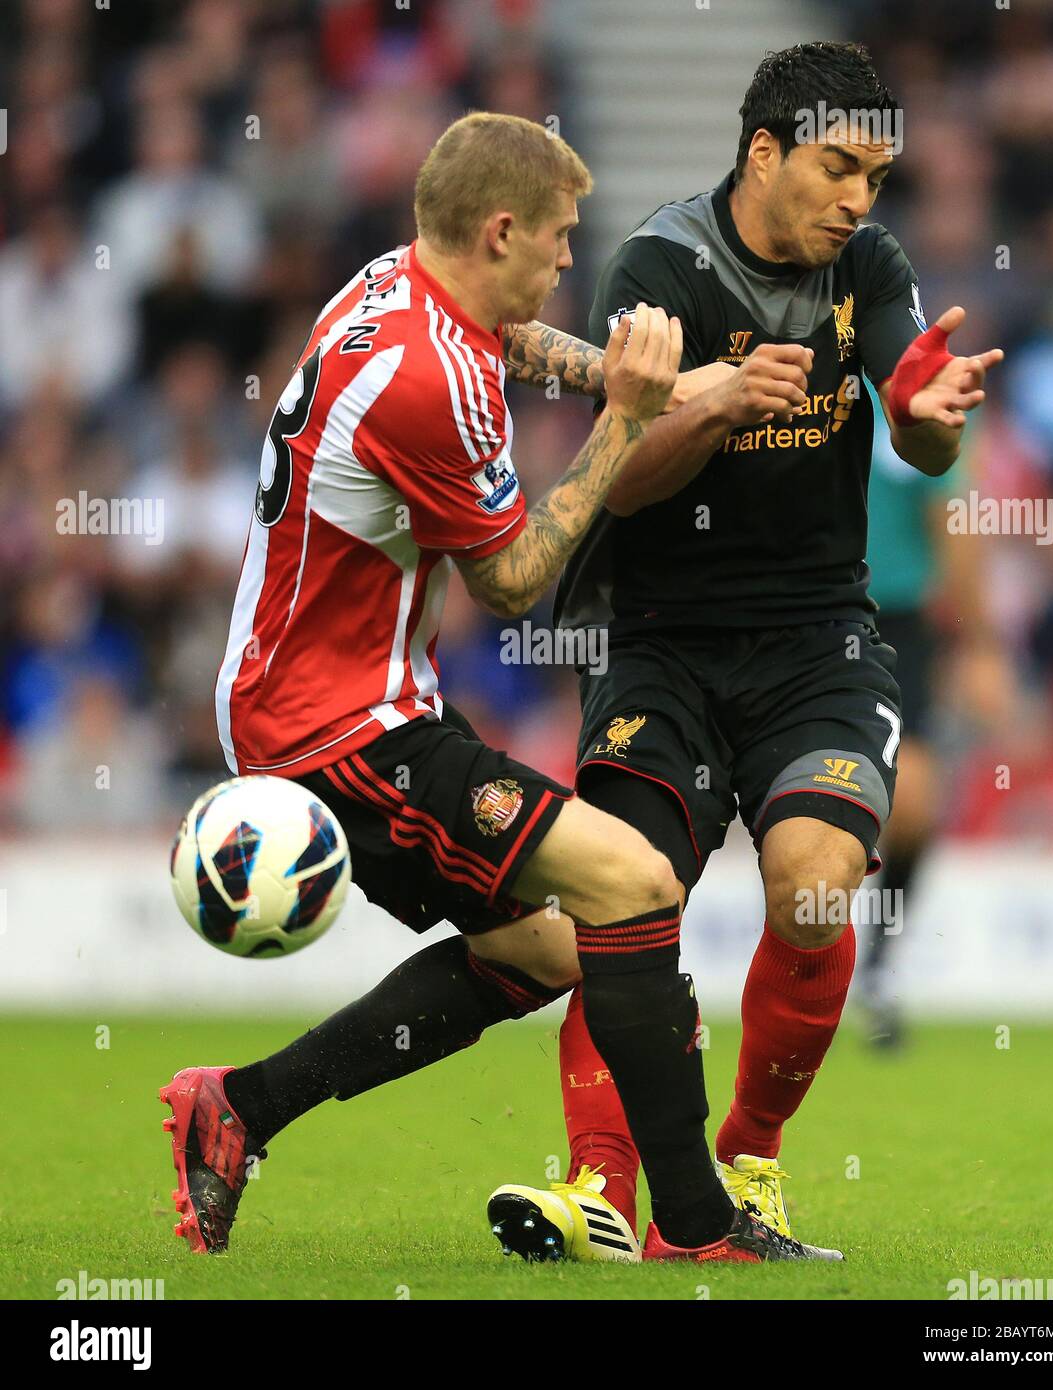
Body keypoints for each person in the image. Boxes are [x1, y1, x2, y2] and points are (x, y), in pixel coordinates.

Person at [161, 112, 829, 1266]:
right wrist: (626, 418)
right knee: (632, 880)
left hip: (346, 694)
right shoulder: (427, 382)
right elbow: (515, 582)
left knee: (556, 952)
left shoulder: (397, 285)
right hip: (329, 725)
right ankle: (698, 1222)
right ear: (501, 229)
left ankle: (244, 1106)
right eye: (561, 238)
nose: (574, 260)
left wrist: (676, 378)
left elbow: (520, 345)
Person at [487, 42, 1003, 1262]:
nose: (858, 202)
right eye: (837, 170)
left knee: (815, 881)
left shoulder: (868, 265)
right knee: (626, 900)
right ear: (762, 151)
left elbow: (922, 435)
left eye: (875, 177)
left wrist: (929, 424)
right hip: (660, 639)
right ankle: (599, 1186)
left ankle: (747, 1170)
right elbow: (620, 475)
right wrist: (709, 400)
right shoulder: (659, 268)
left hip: (818, 636)